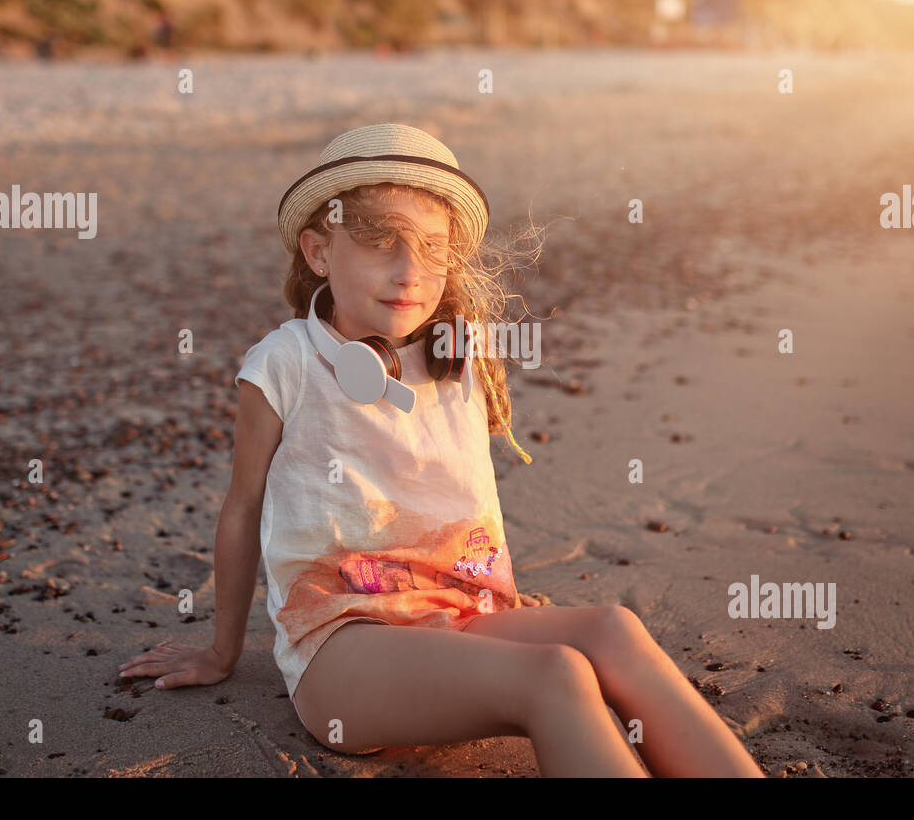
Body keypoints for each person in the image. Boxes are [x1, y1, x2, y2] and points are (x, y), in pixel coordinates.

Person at [119, 123, 764, 778]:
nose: (408, 271)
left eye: (432, 248)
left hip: (455, 619)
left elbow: (450, 501)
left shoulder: (458, 358)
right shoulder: (286, 362)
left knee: (612, 631)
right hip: (344, 651)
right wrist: (221, 653)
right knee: (557, 676)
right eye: (379, 242)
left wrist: (493, 600)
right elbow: (242, 508)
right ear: (318, 251)